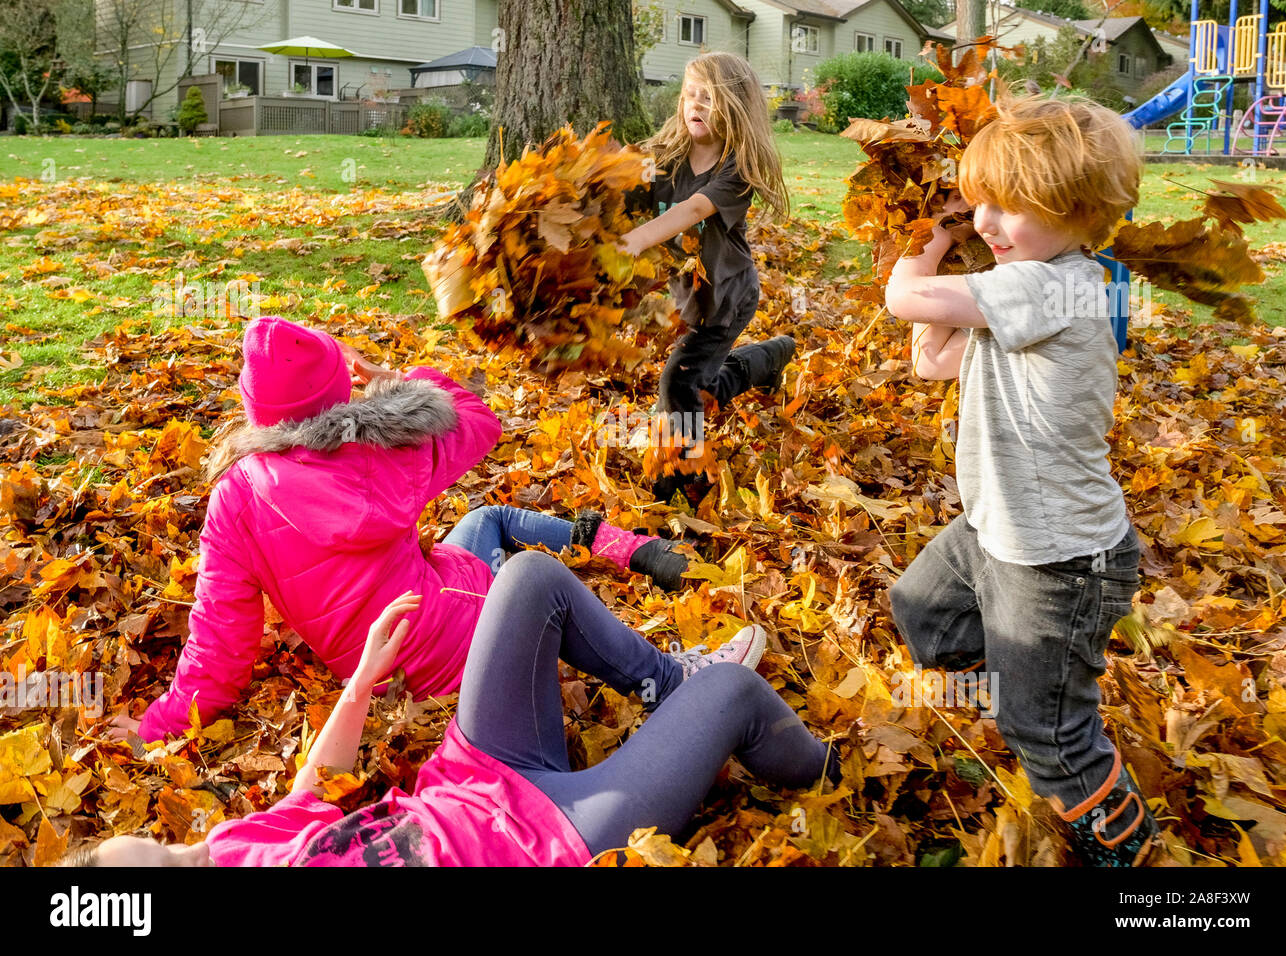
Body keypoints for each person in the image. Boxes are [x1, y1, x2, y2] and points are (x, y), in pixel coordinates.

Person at [112, 316, 687, 743]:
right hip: (463, 629)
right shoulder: (385, 448)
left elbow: (220, 642)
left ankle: (631, 558)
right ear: (340, 394)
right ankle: (649, 614)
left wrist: (154, 729)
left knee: (484, 524)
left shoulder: (235, 497)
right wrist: (396, 378)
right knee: (508, 543)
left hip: (382, 679)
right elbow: (481, 420)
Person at [71, 552, 838, 866]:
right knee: (732, 695)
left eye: (166, 851)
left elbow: (311, 789)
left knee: (528, 580)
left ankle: (664, 686)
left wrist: (362, 681)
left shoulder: (230, 849)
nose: (178, 851)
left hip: (470, 774)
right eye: (170, 863)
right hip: (556, 840)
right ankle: (833, 775)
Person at [882, 95, 1158, 866]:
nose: (984, 223)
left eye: (1009, 208)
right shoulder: (1029, 285)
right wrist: (964, 270)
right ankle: (1019, 691)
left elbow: (903, 298)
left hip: (1057, 559)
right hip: (994, 528)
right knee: (924, 613)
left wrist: (926, 239)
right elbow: (929, 358)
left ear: (1076, 209)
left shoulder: (1059, 285)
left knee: (1052, 737)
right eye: (978, 206)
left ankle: (1132, 858)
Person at [621, 52, 797, 505]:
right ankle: (769, 358)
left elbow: (693, 210)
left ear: (735, 105)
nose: (694, 105)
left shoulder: (736, 168)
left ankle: (681, 480)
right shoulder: (664, 158)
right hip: (688, 299)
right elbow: (625, 196)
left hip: (727, 297)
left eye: (708, 97)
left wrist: (637, 239)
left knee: (676, 384)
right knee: (698, 383)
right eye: (688, 96)